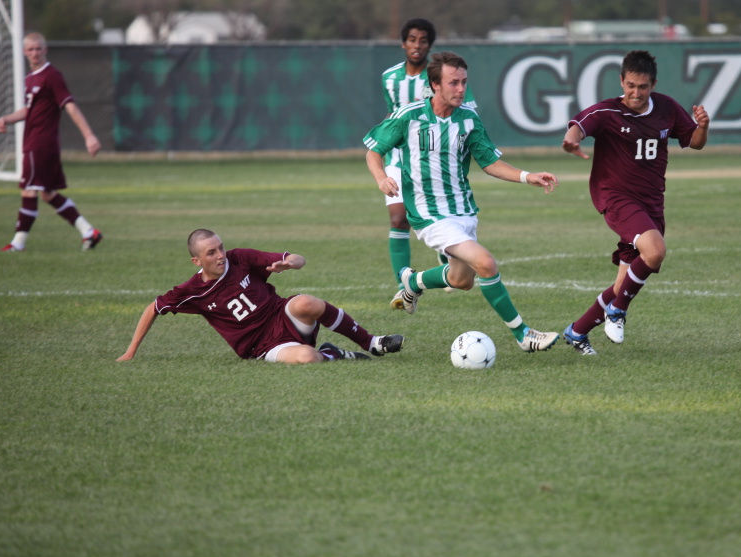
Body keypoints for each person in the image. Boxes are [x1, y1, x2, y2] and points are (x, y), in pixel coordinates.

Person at [364, 51, 561, 353]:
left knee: (461, 280)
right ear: (435, 85)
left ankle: (412, 282)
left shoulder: (468, 119)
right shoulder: (409, 116)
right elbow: (374, 151)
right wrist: (381, 177)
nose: (460, 89)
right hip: (428, 214)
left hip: (463, 212)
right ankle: (524, 335)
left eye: (464, 82)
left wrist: (527, 176)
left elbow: (490, 162)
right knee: (486, 263)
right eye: (453, 83)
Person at [560, 50, 710, 355]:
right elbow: (579, 124)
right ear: (621, 81)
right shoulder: (608, 112)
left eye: (642, 87)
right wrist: (571, 140)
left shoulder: (667, 108)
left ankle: (577, 332)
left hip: (652, 201)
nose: (635, 93)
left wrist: (703, 127)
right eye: (630, 85)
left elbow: (694, 142)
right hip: (615, 196)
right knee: (655, 251)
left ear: (653, 84)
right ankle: (618, 312)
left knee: (623, 282)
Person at [117, 229, 404, 364]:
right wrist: (131, 351)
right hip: (262, 346)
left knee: (306, 301)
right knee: (307, 358)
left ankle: (372, 343)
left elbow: (297, 257)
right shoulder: (191, 292)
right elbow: (153, 308)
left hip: (284, 316)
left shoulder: (240, 258)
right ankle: (334, 353)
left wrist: (290, 262)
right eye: (211, 252)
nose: (220, 255)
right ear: (196, 262)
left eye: (220, 247)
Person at [379, 18, 475, 309]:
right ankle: (403, 285)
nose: (416, 45)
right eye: (411, 39)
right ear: (403, 43)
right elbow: (392, 116)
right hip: (397, 157)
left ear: (430, 45)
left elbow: (467, 109)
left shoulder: (443, 78)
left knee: (439, 213)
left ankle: (443, 254)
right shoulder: (389, 78)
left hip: (434, 157)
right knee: (398, 218)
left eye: (423, 40)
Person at [0, 32, 103, 252]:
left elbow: (70, 105)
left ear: (45, 50)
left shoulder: (51, 75)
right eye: (30, 49)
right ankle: (88, 231)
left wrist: (89, 135)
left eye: (38, 48)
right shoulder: (31, 78)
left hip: (40, 143)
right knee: (47, 194)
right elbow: (29, 110)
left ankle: (18, 243)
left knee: (28, 190)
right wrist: (7, 118)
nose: (34, 53)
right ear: (25, 52)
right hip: (37, 142)